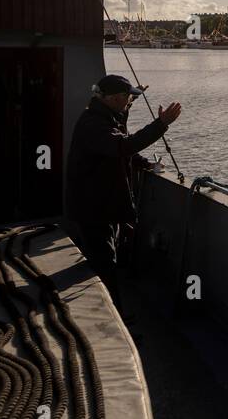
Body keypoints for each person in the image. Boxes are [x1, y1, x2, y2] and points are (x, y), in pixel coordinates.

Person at [65, 74, 181, 314]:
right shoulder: (94, 125)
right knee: (104, 263)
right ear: (115, 99)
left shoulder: (103, 117)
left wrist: (141, 162)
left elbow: (117, 148)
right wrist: (161, 124)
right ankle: (111, 319)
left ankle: (109, 308)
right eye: (127, 98)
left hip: (101, 204)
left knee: (107, 257)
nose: (129, 102)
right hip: (94, 208)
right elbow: (121, 146)